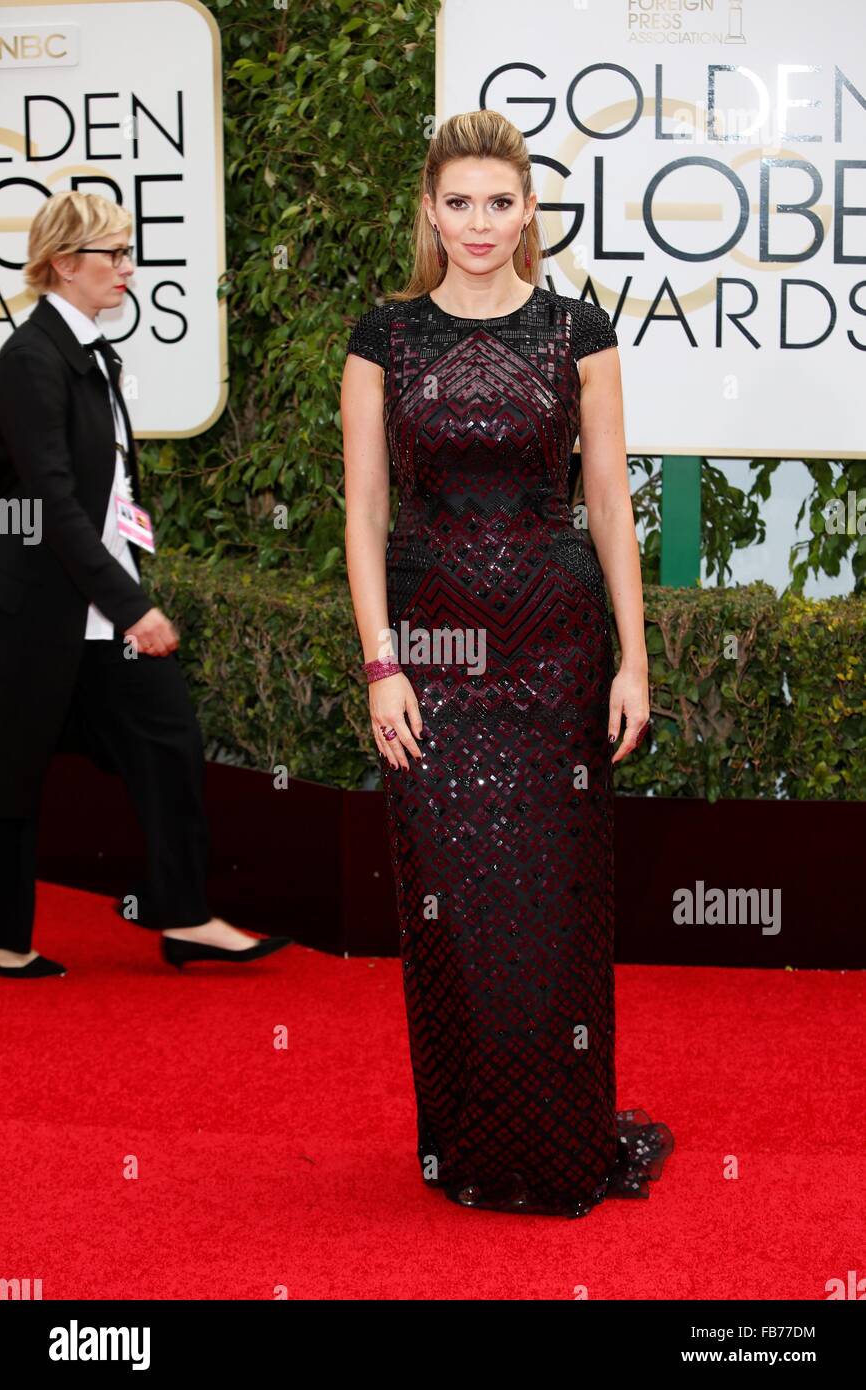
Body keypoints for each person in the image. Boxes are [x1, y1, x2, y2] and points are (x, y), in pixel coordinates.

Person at [341, 110, 673, 1216]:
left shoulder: (577, 330)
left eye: (499, 201)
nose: (479, 222)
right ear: (430, 212)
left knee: (554, 909)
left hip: (556, 650)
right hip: (432, 655)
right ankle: (470, 1144)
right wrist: (382, 665)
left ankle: (561, 1141)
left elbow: (613, 501)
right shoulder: (380, 337)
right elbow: (365, 512)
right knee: (452, 906)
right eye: (458, 202)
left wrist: (634, 656)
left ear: (528, 209)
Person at [0, 191, 291, 978]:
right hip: (42, 613)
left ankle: (183, 913)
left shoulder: (90, 350)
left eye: (129, 252)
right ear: (64, 263)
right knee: (14, 773)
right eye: (113, 255)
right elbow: (52, 506)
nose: (129, 268)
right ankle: (7, 940)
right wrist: (133, 605)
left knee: (168, 742)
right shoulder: (30, 362)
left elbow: (106, 493)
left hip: (97, 605)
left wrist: (128, 579)